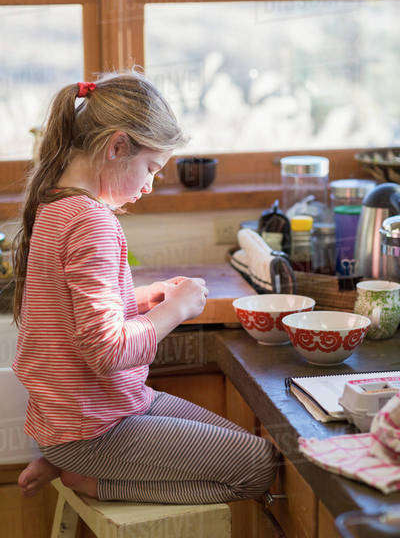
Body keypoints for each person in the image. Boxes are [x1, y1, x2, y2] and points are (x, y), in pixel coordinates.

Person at [12, 70, 278, 505]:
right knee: (263, 466)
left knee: (243, 446)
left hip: (88, 413)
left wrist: (144, 299)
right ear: (117, 146)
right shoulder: (90, 222)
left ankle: (67, 459)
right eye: (151, 168)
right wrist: (176, 310)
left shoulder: (57, 203)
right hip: (94, 428)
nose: (150, 185)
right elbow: (108, 351)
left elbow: (70, 316)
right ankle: (90, 477)